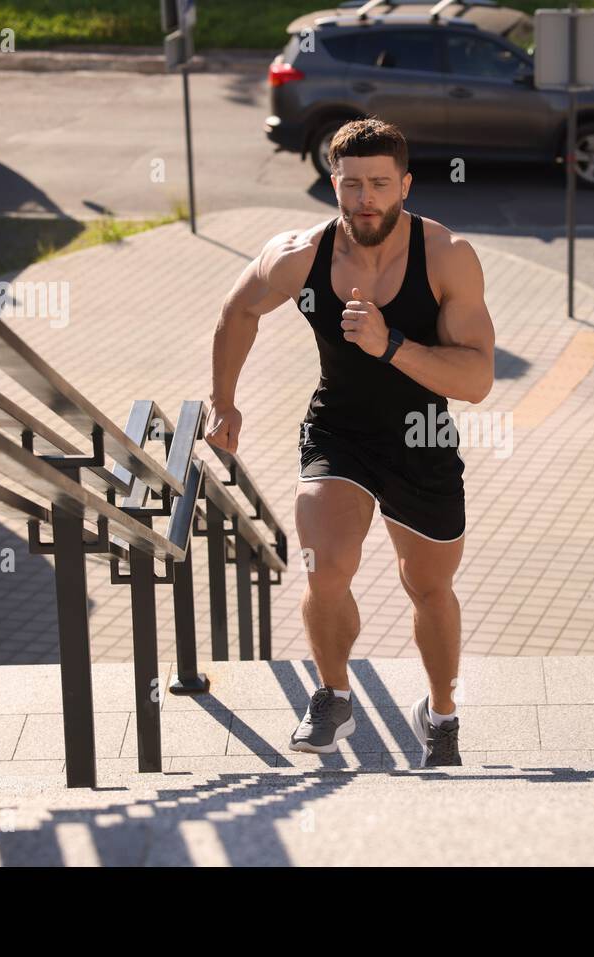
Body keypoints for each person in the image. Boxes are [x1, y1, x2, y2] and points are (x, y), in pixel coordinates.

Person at [205, 117, 495, 767]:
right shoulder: (300, 253)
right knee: (325, 563)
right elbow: (237, 310)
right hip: (337, 430)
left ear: (406, 185)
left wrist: (390, 344)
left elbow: (477, 379)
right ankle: (334, 692)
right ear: (333, 183)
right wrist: (224, 400)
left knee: (428, 587)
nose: (367, 198)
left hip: (422, 439)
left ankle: (440, 711)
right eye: (353, 184)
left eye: (381, 185)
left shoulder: (447, 255)